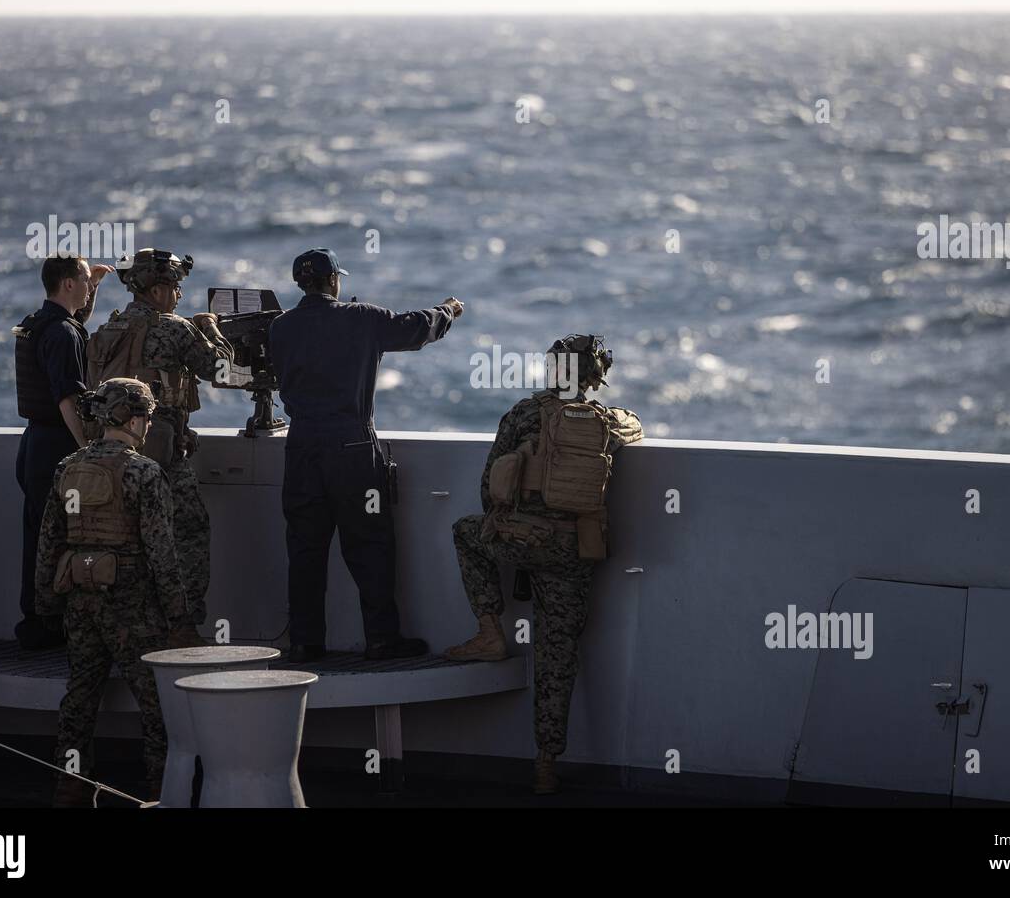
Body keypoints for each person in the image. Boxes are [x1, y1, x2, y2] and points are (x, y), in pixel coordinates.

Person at [445, 334, 643, 794]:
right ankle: (545, 768)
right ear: (594, 376)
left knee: (464, 531)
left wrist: (510, 528)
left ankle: (490, 632)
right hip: (572, 554)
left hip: (517, 540)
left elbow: (488, 483)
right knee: (559, 658)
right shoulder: (605, 422)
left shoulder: (522, 414)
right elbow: (636, 428)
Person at [268, 247, 463, 662]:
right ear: (335, 280)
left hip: (302, 446)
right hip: (352, 446)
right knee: (369, 545)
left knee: (305, 549)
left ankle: (304, 642)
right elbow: (417, 328)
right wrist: (447, 310)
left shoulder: (281, 328)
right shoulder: (361, 319)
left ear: (300, 283)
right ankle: (380, 640)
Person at [34, 378, 193, 806]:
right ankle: (163, 791)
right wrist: (178, 617)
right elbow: (162, 552)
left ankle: (71, 785)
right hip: (133, 607)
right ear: (130, 417)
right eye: (145, 415)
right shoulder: (144, 472)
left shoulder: (68, 468)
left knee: (79, 700)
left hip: (81, 602)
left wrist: (46, 603)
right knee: (157, 706)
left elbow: (50, 541)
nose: (147, 424)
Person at [85, 248, 232, 635]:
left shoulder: (109, 330)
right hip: (160, 455)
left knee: (126, 540)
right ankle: (182, 627)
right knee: (187, 533)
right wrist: (211, 327)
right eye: (176, 286)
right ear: (159, 288)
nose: (179, 296)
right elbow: (220, 368)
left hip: (109, 456)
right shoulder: (174, 327)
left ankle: (126, 626)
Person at [13, 253, 113, 650]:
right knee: (56, 539)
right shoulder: (61, 334)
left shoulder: (39, 323)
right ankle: (47, 626)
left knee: (37, 535)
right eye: (86, 280)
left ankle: (36, 621)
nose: (89, 285)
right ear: (69, 284)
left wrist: (98, 283)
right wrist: (88, 448)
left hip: (34, 444)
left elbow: (75, 325)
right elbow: (68, 398)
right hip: (56, 445)